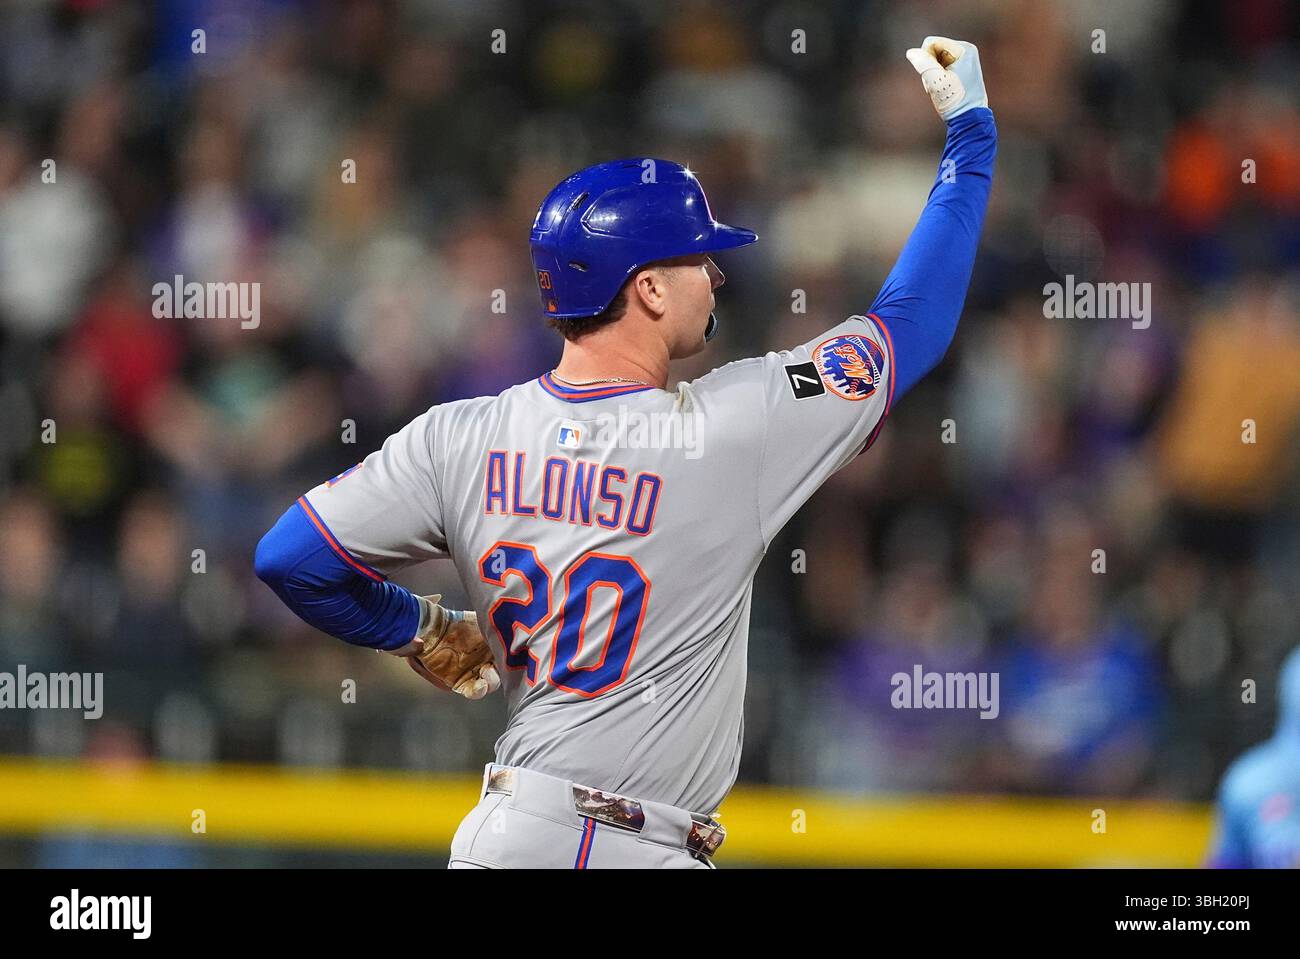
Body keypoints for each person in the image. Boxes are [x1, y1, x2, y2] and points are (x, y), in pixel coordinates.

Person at [255, 36, 997, 868]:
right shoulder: (730, 427)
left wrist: (421, 629)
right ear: (646, 287)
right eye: (696, 258)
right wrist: (971, 138)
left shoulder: (456, 435)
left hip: (509, 832)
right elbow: (914, 321)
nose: (715, 275)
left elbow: (291, 557)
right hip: (626, 844)